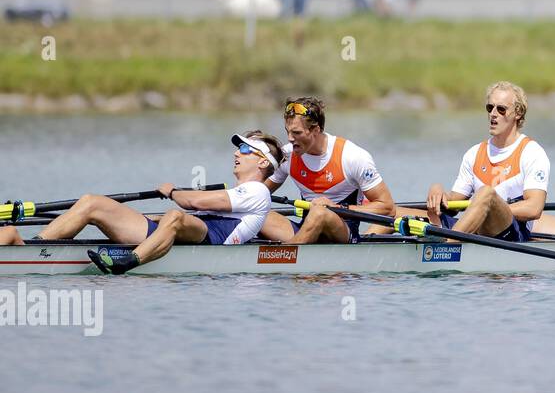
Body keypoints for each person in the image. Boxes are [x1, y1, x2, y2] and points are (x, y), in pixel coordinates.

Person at [0, 132, 282, 273]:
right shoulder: (239, 191)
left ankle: (128, 262)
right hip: (187, 231)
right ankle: (32, 250)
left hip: (213, 241)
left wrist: (172, 191)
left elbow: (193, 202)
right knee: (92, 203)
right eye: (237, 147)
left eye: (245, 149)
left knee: (174, 215)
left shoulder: (258, 191)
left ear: (261, 161)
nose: (237, 152)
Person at [422, 81, 555, 241]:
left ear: (518, 113)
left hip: (514, 232)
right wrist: (439, 192)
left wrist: (492, 208)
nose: (493, 114)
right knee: (397, 212)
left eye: (501, 109)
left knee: (486, 193)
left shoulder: (532, 152)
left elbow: (534, 208)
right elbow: (454, 204)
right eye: (490, 108)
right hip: (479, 226)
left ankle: (448, 246)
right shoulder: (474, 153)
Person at [260, 97, 395, 244]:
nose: (290, 139)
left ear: (316, 130)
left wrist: (337, 207)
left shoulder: (352, 156)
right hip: (306, 228)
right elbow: (258, 192)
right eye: (287, 132)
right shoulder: (287, 156)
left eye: (297, 133)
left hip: (343, 233)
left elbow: (387, 208)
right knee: (255, 210)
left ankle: (288, 256)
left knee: (320, 213)